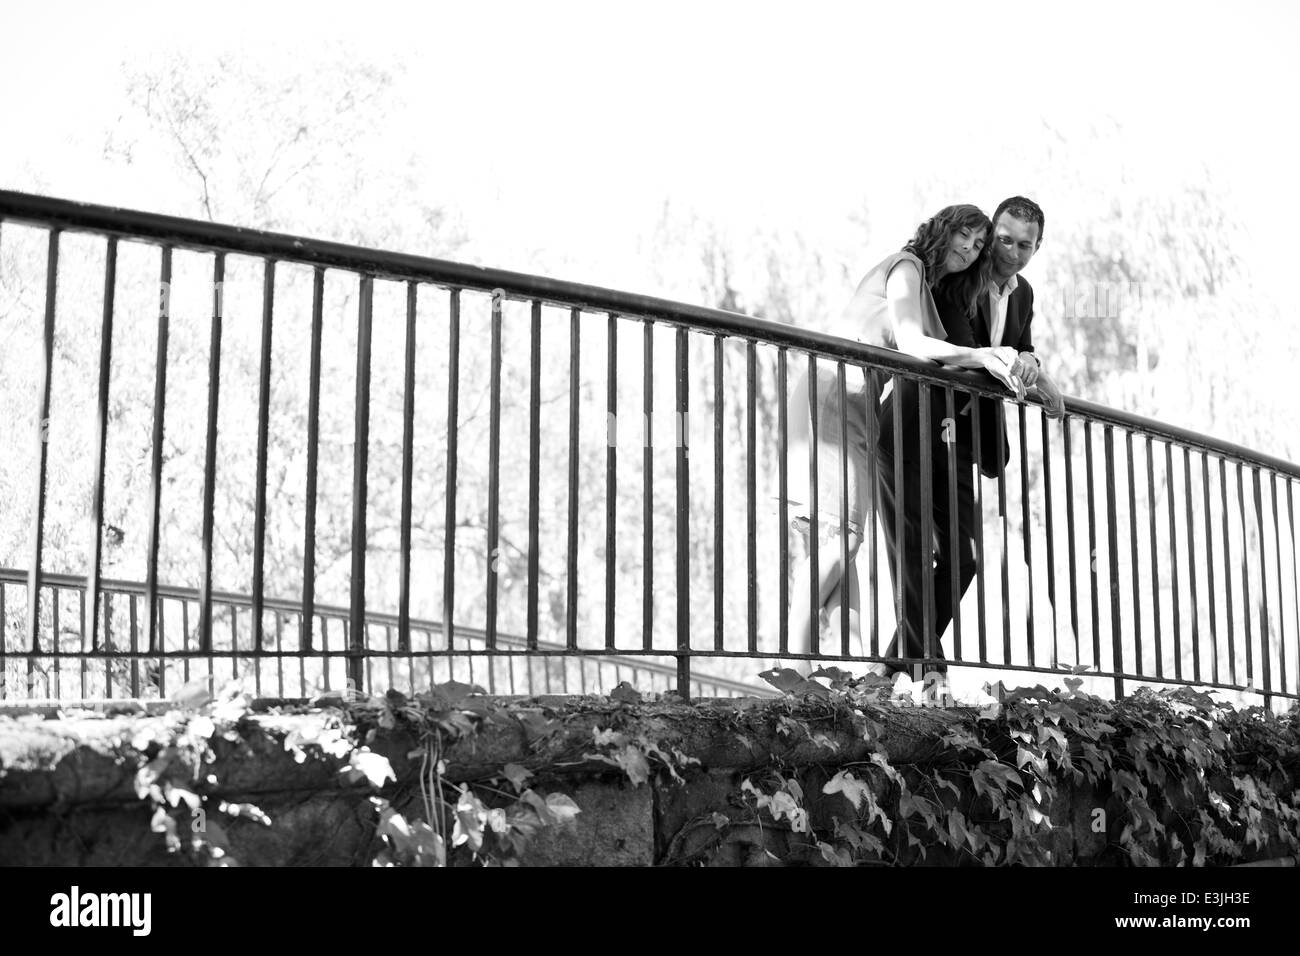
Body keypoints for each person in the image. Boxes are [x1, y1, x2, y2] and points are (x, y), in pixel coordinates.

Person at [782, 204, 1020, 658]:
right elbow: (912, 344)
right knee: (844, 538)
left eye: (977, 247)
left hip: (858, 402)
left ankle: (837, 671)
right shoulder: (906, 267)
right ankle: (793, 667)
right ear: (942, 229)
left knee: (841, 542)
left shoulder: (927, 288)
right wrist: (983, 356)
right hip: (836, 394)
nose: (969, 252)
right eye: (963, 238)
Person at [875, 195, 1064, 680]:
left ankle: (897, 665)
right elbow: (967, 350)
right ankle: (927, 674)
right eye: (1002, 239)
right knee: (916, 550)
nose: (1010, 251)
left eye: (1024, 244)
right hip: (920, 417)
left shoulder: (1023, 295)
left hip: (963, 434)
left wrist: (1037, 369)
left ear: (1037, 247)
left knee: (963, 558)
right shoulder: (956, 277)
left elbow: (1022, 349)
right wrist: (1009, 363)